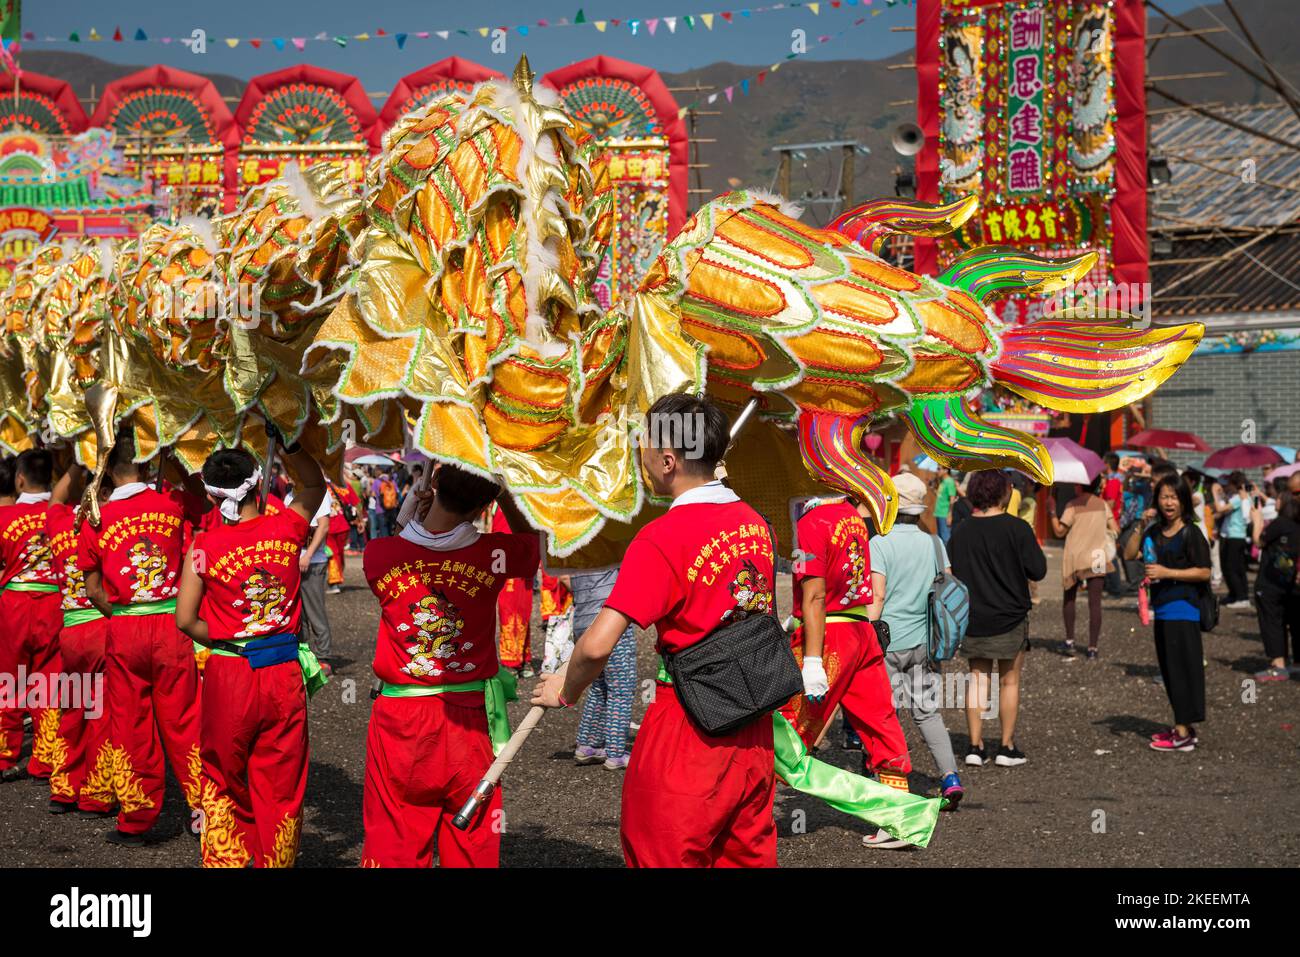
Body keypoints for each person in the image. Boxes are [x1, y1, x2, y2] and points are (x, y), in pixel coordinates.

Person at [533, 394, 787, 868]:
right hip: (753, 729)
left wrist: (564, 688)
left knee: (660, 853)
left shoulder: (662, 537)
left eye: (645, 442)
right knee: (744, 855)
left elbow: (597, 643)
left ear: (668, 460)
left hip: (688, 728)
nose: (640, 451)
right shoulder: (756, 523)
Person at [360, 463, 539, 868]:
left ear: (435, 484)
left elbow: (406, 543)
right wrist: (504, 491)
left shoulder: (380, 554)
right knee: (471, 840)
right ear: (484, 506)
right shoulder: (493, 553)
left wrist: (413, 511)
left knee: (395, 839)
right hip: (469, 719)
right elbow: (532, 541)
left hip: (400, 722)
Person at [176, 445, 328, 867]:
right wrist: (293, 441)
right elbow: (314, 484)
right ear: (258, 485)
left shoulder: (204, 546)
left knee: (223, 776)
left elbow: (185, 620)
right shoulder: (287, 528)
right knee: (281, 779)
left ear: (210, 496)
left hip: (229, 670)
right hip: (282, 670)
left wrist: (228, 638)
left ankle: (227, 859)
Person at [78, 433, 205, 846]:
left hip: (125, 627)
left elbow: (94, 589)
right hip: (171, 625)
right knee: (185, 719)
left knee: (131, 724)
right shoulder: (172, 504)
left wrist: (125, 616)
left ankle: (136, 818)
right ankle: (204, 808)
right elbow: (201, 503)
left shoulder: (96, 517)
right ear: (149, 465)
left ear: (109, 472)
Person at [780, 491, 913, 850]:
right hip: (860, 630)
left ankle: (746, 811)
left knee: (786, 725)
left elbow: (816, 595)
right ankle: (901, 817)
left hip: (829, 635)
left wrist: (810, 661)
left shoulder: (813, 521)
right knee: (880, 720)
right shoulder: (852, 516)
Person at [868, 471, 964, 809]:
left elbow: (877, 595)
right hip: (926, 642)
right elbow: (947, 587)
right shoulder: (934, 543)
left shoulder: (878, 544)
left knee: (886, 715)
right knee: (927, 712)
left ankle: (892, 782)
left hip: (888, 643)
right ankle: (950, 777)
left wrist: (867, 631)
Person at [948, 469, 1046, 768]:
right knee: (1009, 681)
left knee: (976, 678)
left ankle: (974, 746)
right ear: (1005, 493)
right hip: (1010, 615)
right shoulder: (1017, 529)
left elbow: (954, 571)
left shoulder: (961, 531)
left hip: (974, 616)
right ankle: (1006, 746)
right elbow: (1038, 570)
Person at [45, 466, 115, 815]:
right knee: (100, 713)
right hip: (100, 628)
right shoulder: (106, 527)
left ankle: (63, 787)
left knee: (72, 710)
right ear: (103, 495)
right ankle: (97, 793)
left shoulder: (59, 523)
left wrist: (78, 459)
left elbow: (57, 497)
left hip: (70, 632)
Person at [1124, 475, 1211, 752]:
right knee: (1171, 671)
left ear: (1183, 500)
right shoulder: (1154, 532)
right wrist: (1140, 524)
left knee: (1182, 670)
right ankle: (1182, 727)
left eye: (1174, 497)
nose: (1168, 502)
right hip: (1162, 610)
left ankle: (1184, 733)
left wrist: (1167, 572)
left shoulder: (1191, 532)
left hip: (1184, 610)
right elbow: (1128, 554)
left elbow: (1204, 571)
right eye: (1164, 497)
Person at [0, 449, 66, 784]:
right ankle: (46, 756)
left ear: (19, 478)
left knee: (8, 678)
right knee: (49, 681)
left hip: (14, 604)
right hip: (54, 604)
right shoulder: (62, 514)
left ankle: (4, 752)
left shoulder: (3, 517)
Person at [567, 569, 638, 771]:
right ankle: (615, 753)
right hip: (609, 622)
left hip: (582, 619)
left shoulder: (578, 548)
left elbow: (565, 578)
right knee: (621, 688)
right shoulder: (609, 545)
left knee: (599, 685)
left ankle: (587, 744)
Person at [1049, 476, 1119, 659]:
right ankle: (1092, 648)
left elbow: (1059, 531)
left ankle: (1070, 641)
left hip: (1075, 557)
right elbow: (1115, 529)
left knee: (1069, 598)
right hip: (1097, 556)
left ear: (1081, 486)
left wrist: (1051, 510)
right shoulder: (1103, 504)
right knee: (1095, 603)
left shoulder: (1072, 505)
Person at [1251, 491, 1299, 682]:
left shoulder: (1280, 523)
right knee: (1294, 622)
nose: (1275, 502)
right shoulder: (1297, 525)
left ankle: (1278, 664)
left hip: (1270, 582)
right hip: (1291, 583)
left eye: (1278, 499)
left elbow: (1259, 542)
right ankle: (1296, 663)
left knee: (1271, 621)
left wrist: (1257, 520)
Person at [292, 482, 334, 673]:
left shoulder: (321, 493)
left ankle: (323, 655)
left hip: (313, 561)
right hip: (291, 562)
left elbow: (323, 527)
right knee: (297, 612)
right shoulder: (289, 494)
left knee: (314, 610)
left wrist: (308, 555)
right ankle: (303, 653)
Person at [492, 502, 536, 676]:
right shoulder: (503, 502)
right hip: (507, 563)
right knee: (509, 610)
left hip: (523, 559)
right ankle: (511, 660)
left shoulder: (522, 499)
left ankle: (523, 658)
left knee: (524, 610)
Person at [1216, 471, 1251, 609]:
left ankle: (1242, 597)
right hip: (1232, 535)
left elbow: (1221, 509)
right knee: (1234, 567)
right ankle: (1234, 595)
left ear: (1234, 484)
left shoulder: (1238, 498)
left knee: (1232, 568)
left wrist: (1215, 493)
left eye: (1229, 483)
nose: (1226, 486)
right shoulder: (1238, 498)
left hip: (1236, 536)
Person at [325, 478, 360, 594]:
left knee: (333, 554)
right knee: (339, 553)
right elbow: (355, 504)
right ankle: (337, 578)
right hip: (344, 525)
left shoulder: (321, 485)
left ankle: (334, 582)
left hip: (328, 525)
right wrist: (360, 521)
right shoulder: (345, 485)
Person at [932, 467, 957, 544]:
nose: (937, 471)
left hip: (944, 514)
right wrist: (932, 489)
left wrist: (949, 515)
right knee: (940, 539)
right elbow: (940, 496)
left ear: (946, 470)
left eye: (939, 469)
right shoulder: (943, 481)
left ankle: (947, 556)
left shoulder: (949, 481)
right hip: (939, 513)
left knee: (945, 539)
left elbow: (952, 499)